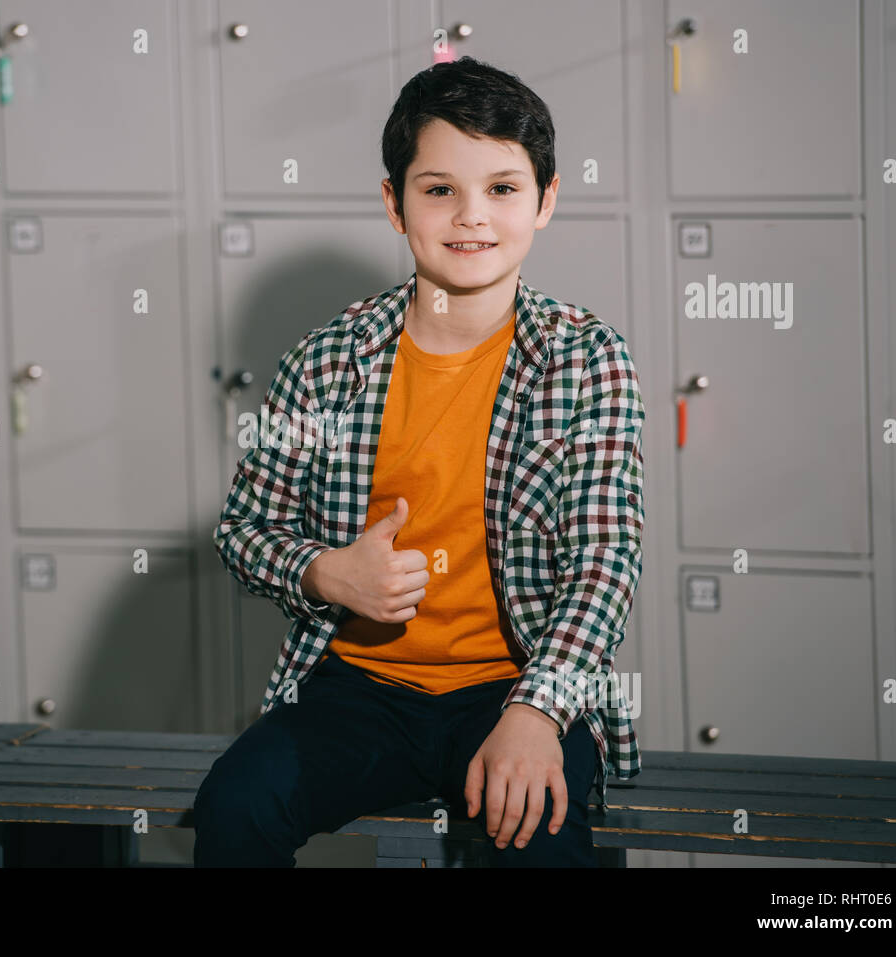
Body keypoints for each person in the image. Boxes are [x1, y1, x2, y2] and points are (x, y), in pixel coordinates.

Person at [198, 56, 645, 868]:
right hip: (361, 689)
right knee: (236, 804)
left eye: (503, 189)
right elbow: (243, 528)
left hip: (516, 686)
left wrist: (539, 714)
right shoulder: (326, 359)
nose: (471, 216)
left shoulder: (588, 358)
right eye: (439, 189)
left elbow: (603, 561)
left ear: (546, 201)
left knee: (538, 838)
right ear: (394, 203)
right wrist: (324, 572)